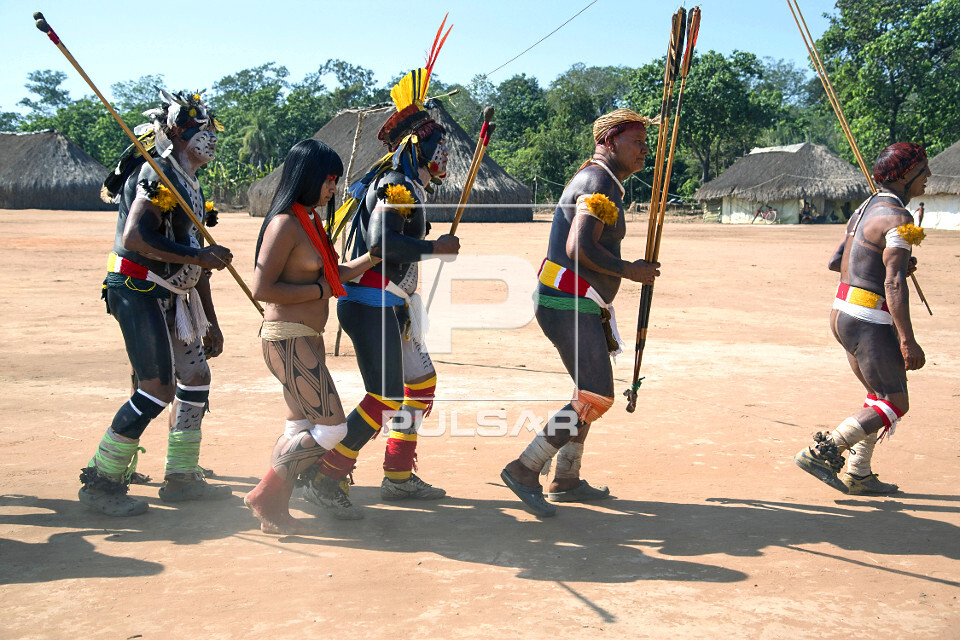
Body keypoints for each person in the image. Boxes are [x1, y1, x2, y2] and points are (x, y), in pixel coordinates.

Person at [297, 29, 459, 519]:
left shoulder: (407, 182)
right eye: (439, 147)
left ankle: (398, 474)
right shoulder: (394, 184)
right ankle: (324, 476)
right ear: (416, 148)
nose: (445, 156)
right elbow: (380, 244)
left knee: (420, 384)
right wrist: (434, 246)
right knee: (385, 395)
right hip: (370, 302)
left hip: (394, 304)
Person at [79, 89, 234, 516]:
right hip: (136, 289)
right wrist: (199, 256)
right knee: (156, 388)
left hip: (172, 296)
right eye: (200, 129)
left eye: (211, 129)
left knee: (196, 376)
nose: (210, 137)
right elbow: (135, 239)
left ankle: (182, 476)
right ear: (177, 133)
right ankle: (102, 481)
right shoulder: (156, 175)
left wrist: (210, 321)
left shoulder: (189, 182)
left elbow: (196, 255)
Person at [500, 108, 661, 517]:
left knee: (585, 392)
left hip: (578, 300)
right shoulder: (597, 182)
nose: (645, 150)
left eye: (645, 142)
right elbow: (579, 249)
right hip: (566, 301)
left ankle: (566, 478)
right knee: (597, 395)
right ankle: (525, 468)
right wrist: (631, 271)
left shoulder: (602, 180)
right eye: (637, 142)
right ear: (609, 141)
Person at [243, 139, 383, 534]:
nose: (333, 188)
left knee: (299, 429)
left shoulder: (310, 223)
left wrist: (376, 255)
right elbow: (262, 288)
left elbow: (336, 275)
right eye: (328, 179)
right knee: (333, 428)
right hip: (287, 338)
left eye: (336, 180)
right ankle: (265, 494)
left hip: (305, 338)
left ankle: (275, 508)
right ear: (306, 177)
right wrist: (320, 291)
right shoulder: (285, 223)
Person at [795, 142, 929, 495]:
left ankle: (859, 472)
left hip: (843, 310)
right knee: (896, 400)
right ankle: (822, 452)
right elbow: (894, 281)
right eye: (922, 170)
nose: (928, 176)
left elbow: (835, 261)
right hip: (868, 315)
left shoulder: (864, 209)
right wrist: (907, 339)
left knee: (877, 394)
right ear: (905, 175)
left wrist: (884, 259)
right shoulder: (900, 218)